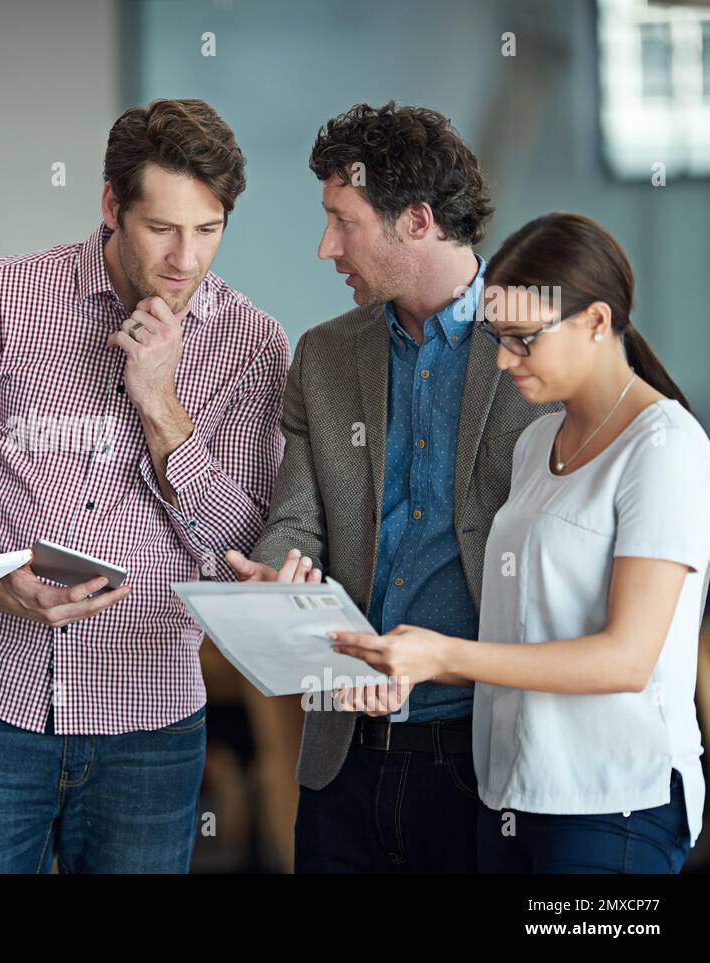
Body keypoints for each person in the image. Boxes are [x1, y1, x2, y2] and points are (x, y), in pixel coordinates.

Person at [0, 98, 290, 873]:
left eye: (208, 231)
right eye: (162, 228)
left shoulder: (254, 345)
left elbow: (242, 547)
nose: (186, 258)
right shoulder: (0, 300)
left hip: (152, 728)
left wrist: (163, 409)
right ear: (110, 204)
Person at [226, 102, 555, 873]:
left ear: (415, 219)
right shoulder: (323, 357)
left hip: (490, 756)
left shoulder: (540, 349)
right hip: (347, 759)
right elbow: (296, 517)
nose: (325, 246)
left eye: (343, 221)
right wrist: (280, 568)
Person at [330, 212, 709, 874]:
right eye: (498, 337)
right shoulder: (538, 442)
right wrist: (409, 662)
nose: (505, 360)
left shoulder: (664, 449)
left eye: (523, 339)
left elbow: (626, 659)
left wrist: (445, 653)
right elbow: (525, 628)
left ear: (596, 322)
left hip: (610, 803)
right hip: (510, 792)